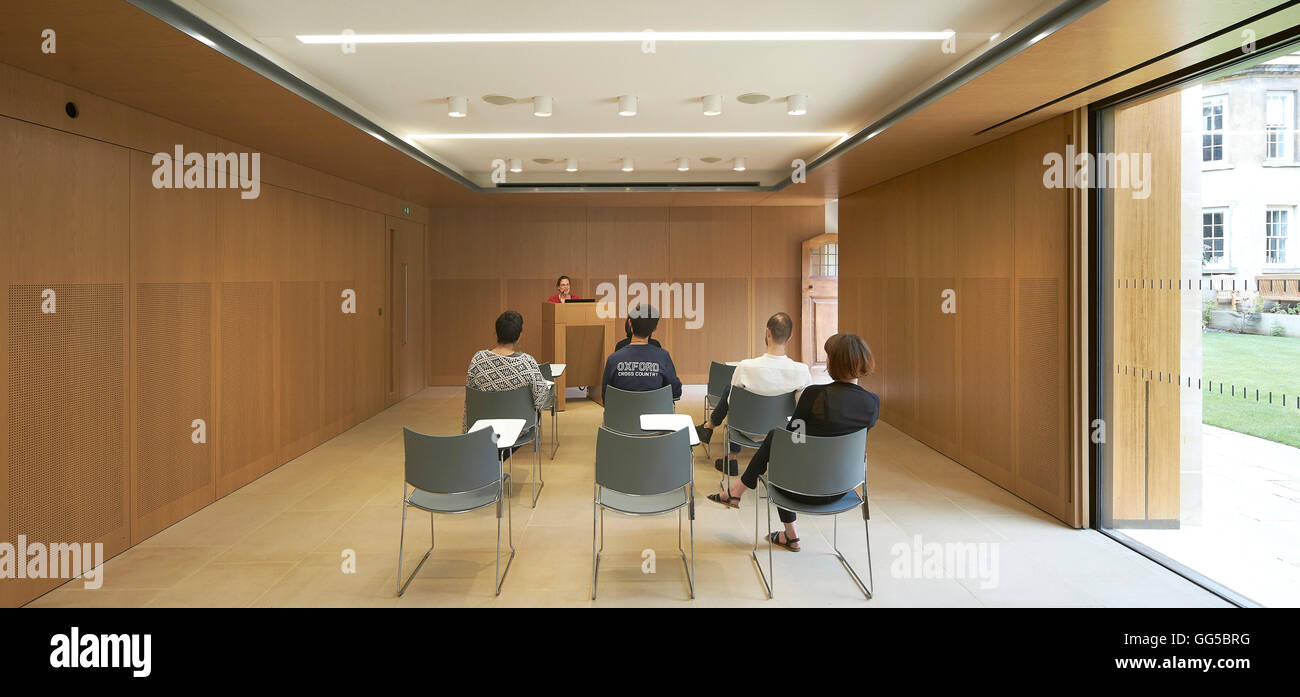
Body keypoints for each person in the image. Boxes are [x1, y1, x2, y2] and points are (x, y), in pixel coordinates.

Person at [707, 333, 879, 553]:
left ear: (833, 363)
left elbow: (792, 438)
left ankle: (779, 524)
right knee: (778, 442)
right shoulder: (873, 403)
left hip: (797, 488)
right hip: (841, 489)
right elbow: (847, 441)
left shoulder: (815, 395)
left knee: (777, 442)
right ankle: (743, 498)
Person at [696, 312, 811, 476]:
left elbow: (731, 404)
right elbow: (803, 409)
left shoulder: (745, 367)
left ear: (767, 333)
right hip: (781, 433)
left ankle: (730, 456)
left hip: (745, 430)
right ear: (790, 336)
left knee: (732, 393)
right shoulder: (802, 371)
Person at [464, 310, 550, 432]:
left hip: (483, 429)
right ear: (519, 336)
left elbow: (470, 399)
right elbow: (541, 399)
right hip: (519, 429)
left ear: (496, 332)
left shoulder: (478, 359)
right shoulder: (527, 362)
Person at [601, 304, 682, 401]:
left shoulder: (612, 359)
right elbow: (675, 392)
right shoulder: (663, 356)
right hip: (654, 414)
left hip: (622, 415)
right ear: (655, 328)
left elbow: (606, 397)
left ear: (630, 323)